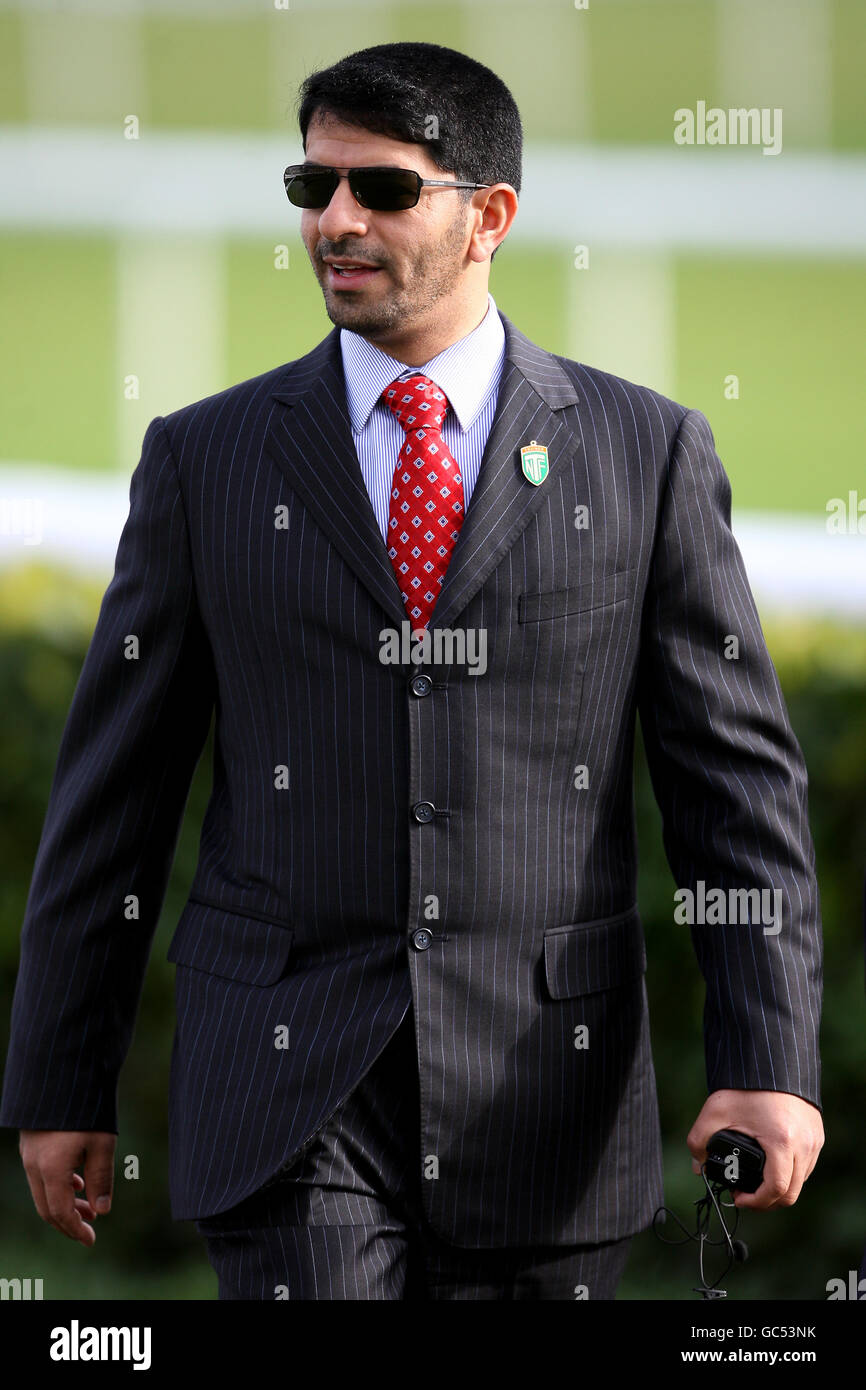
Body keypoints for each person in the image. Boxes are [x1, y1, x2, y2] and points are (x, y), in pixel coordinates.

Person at [0, 41, 823, 1301]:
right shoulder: (204, 459)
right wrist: (61, 1075)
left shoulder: (643, 453)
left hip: (548, 1100)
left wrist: (767, 1052)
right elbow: (112, 799)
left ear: (488, 215)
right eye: (311, 185)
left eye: (380, 190)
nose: (333, 220)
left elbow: (735, 788)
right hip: (286, 1095)